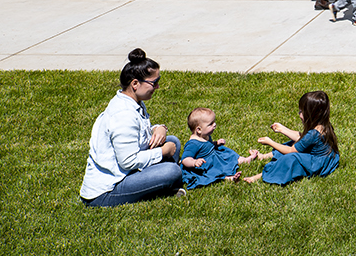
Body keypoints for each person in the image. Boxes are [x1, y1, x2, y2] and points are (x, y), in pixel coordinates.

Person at [80, 49, 182, 206]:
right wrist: (162, 152)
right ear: (135, 84)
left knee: (173, 141)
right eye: (154, 82)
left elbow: (138, 134)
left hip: (126, 173)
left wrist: (159, 128)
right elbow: (128, 161)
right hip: (108, 190)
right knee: (172, 171)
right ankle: (164, 186)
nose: (157, 87)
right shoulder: (123, 115)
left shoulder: (133, 101)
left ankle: (163, 185)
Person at [244, 91, 340, 185]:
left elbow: (290, 151)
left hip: (317, 165)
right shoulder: (323, 124)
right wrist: (282, 129)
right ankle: (264, 156)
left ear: (311, 114)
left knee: (291, 158)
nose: (299, 113)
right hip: (327, 159)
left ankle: (260, 176)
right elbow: (301, 138)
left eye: (301, 111)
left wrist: (270, 142)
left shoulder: (313, 134)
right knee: (293, 143)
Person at [180, 108, 261, 189]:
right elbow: (185, 159)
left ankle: (243, 160)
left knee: (228, 154)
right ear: (199, 129)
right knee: (213, 173)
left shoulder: (204, 135)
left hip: (214, 157)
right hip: (206, 164)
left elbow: (208, 145)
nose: (214, 124)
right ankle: (229, 178)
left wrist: (216, 143)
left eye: (214, 122)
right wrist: (194, 162)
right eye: (210, 124)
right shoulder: (193, 144)